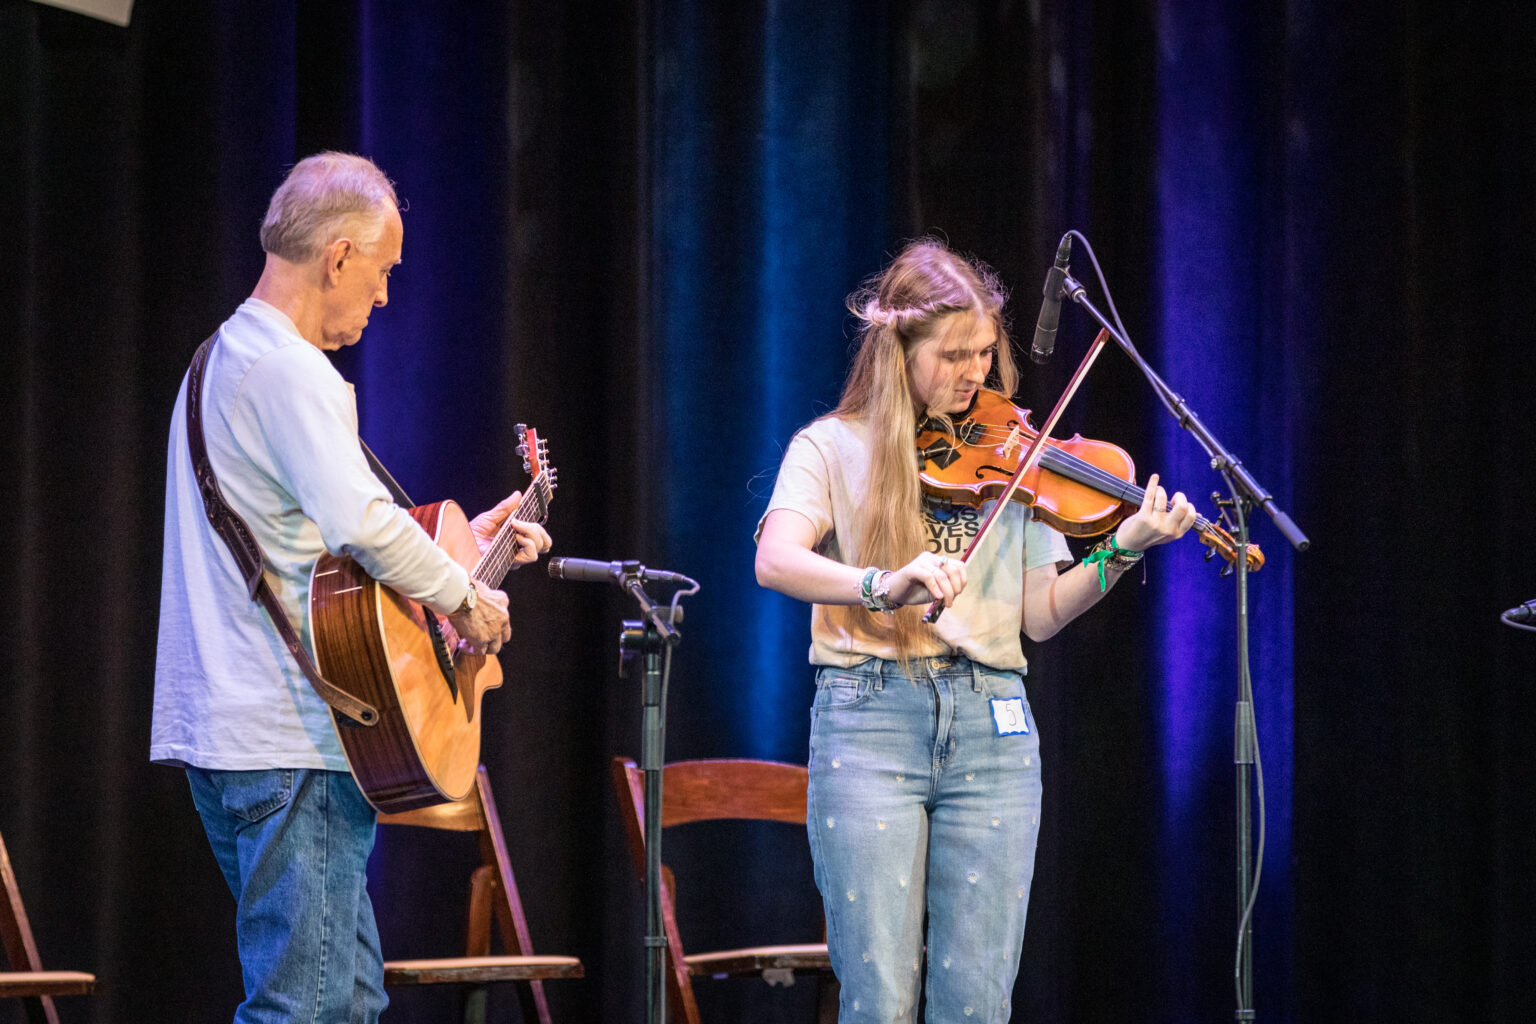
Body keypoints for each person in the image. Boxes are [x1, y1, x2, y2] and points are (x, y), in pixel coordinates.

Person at [152, 151, 551, 1023]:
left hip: (228, 737)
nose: (381, 296)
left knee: (350, 999)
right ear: (337, 257)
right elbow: (361, 529)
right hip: (291, 739)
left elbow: (310, 539)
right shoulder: (293, 372)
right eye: (381, 272)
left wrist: (459, 549)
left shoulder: (216, 361)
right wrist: (465, 597)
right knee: (306, 1009)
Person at [754, 238, 1196, 1023]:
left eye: (986, 354)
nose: (976, 374)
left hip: (994, 726)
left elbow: (1038, 614)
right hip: (871, 718)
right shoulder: (830, 447)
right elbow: (775, 560)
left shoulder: (1016, 456)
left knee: (978, 1004)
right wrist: (880, 584)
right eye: (954, 355)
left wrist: (1121, 551)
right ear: (899, 350)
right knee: (881, 999)